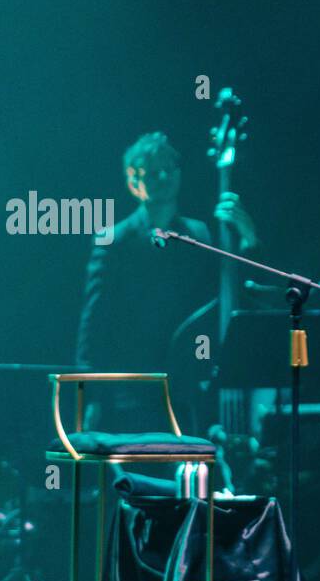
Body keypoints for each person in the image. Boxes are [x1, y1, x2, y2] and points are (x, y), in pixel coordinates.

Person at [75, 131, 258, 434]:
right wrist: (90, 396)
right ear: (133, 182)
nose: (163, 176)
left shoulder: (199, 234)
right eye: (152, 171)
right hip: (134, 390)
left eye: (169, 168)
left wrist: (248, 242)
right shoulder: (114, 241)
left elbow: (224, 299)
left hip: (187, 388)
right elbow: (94, 325)